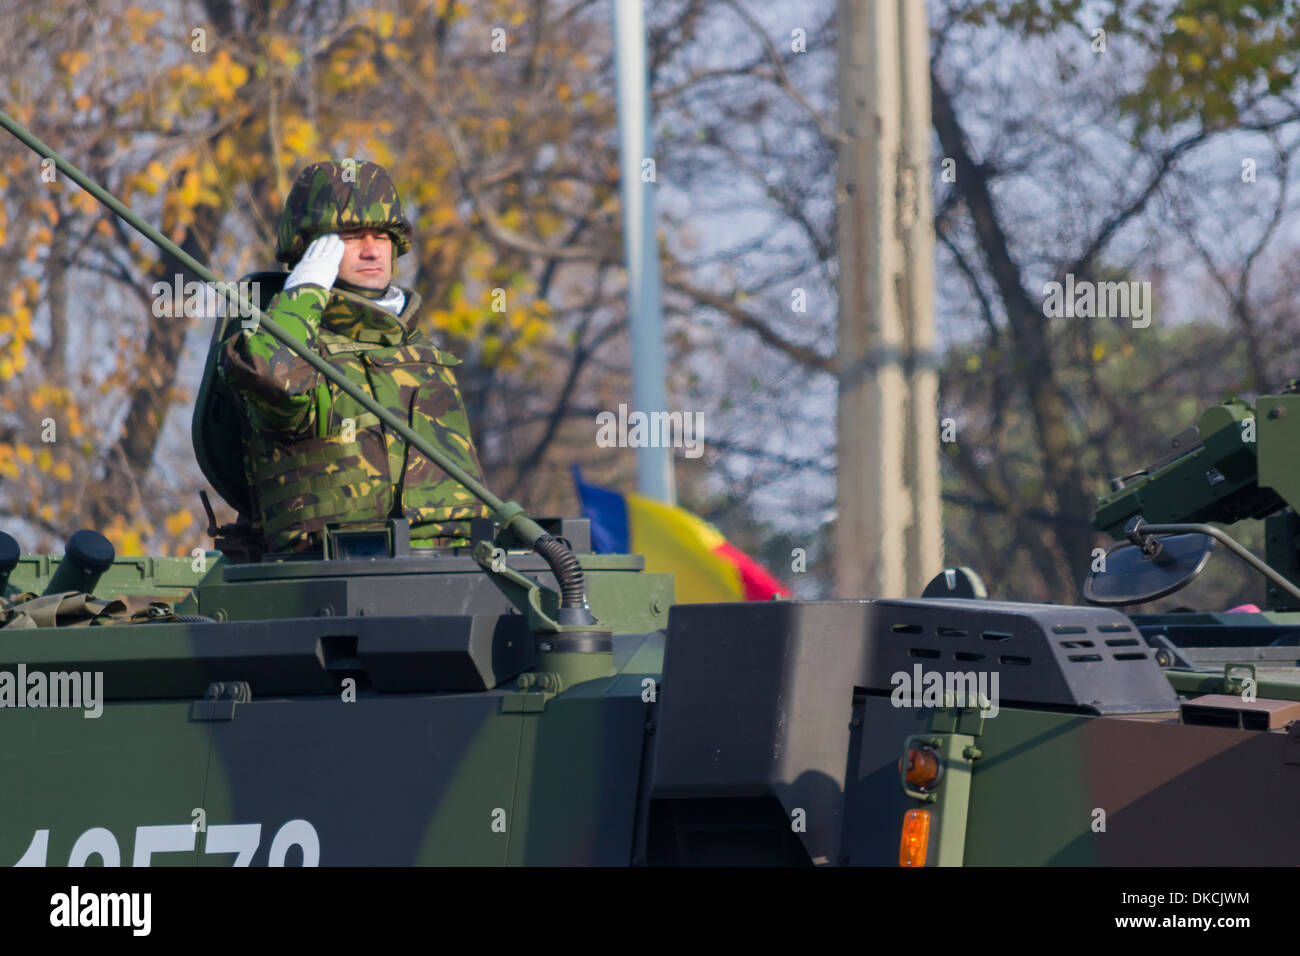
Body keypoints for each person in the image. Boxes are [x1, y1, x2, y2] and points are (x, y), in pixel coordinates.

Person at [218, 159, 489, 554]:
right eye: (350, 236)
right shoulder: (294, 351)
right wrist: (305, 290)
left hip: (453, 575)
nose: (370, 250)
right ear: (312, 249)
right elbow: (271, 377)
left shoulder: (426, 355)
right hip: (330, 581)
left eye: (381, 235)